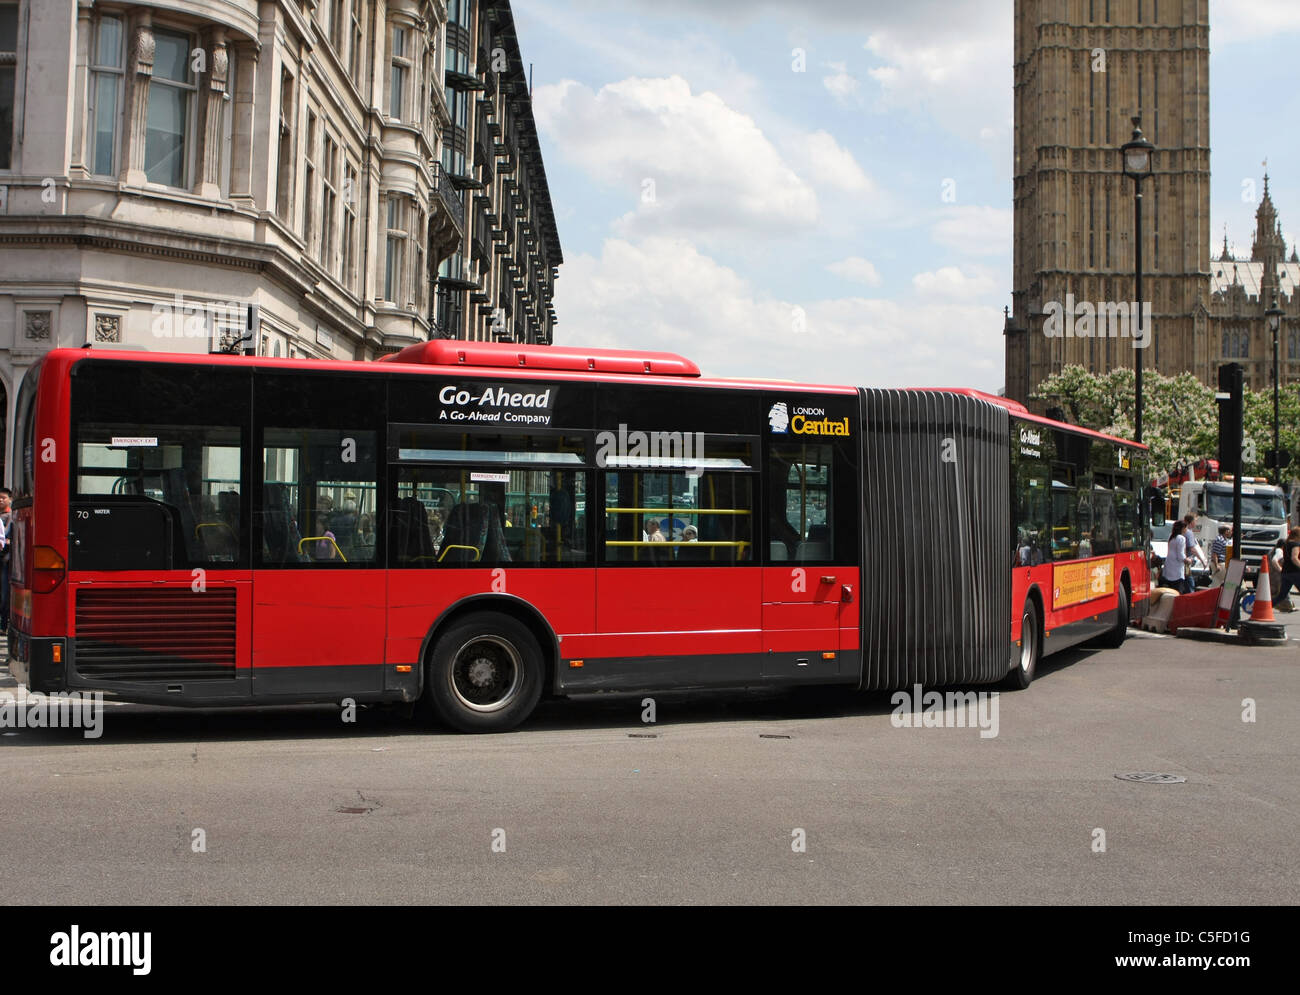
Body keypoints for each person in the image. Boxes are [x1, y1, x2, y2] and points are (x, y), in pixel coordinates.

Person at [1272, 527, 1300, 611]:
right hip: (1295, 572)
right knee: (1282, 595)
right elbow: (1294, 558)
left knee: (1282, 595)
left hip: (1285, 573)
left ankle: (1265, 606)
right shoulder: (1296, 545)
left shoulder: (1286, 545)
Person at [1161, 519, 1191, 594]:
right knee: (1177, 592)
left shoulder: (1171, 537)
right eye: (1186, 528)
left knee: (1170, 592)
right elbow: (1180, 556)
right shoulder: (1181, 538)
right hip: (1177, 571)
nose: (1186, 530)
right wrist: (1187, 560)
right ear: (1183, 528)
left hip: (1169, 567)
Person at [0, 487, 11, 634]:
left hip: (4, 559)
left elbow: (6, 538)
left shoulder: (11, 516)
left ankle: (3, 624)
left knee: (4, 592)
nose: (1, 500)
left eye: (3, 497)